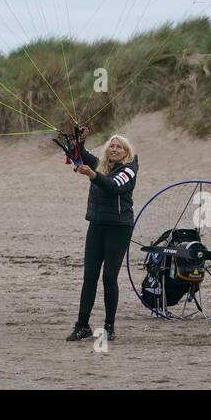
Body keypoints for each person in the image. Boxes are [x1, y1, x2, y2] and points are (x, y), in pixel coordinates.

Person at [63, 125, 138, 341]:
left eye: (119, 147)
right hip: (96, 226)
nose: (114, 149)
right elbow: (79, 154)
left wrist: (93, 175)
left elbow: (112, 186)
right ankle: (82, 325)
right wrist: (80, 141)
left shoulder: (129, 170)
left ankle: (109, 326)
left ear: (126, 153)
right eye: (111, 146)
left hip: (119, 228)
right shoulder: (100, 165)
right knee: (89, 277)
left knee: (109, 278)